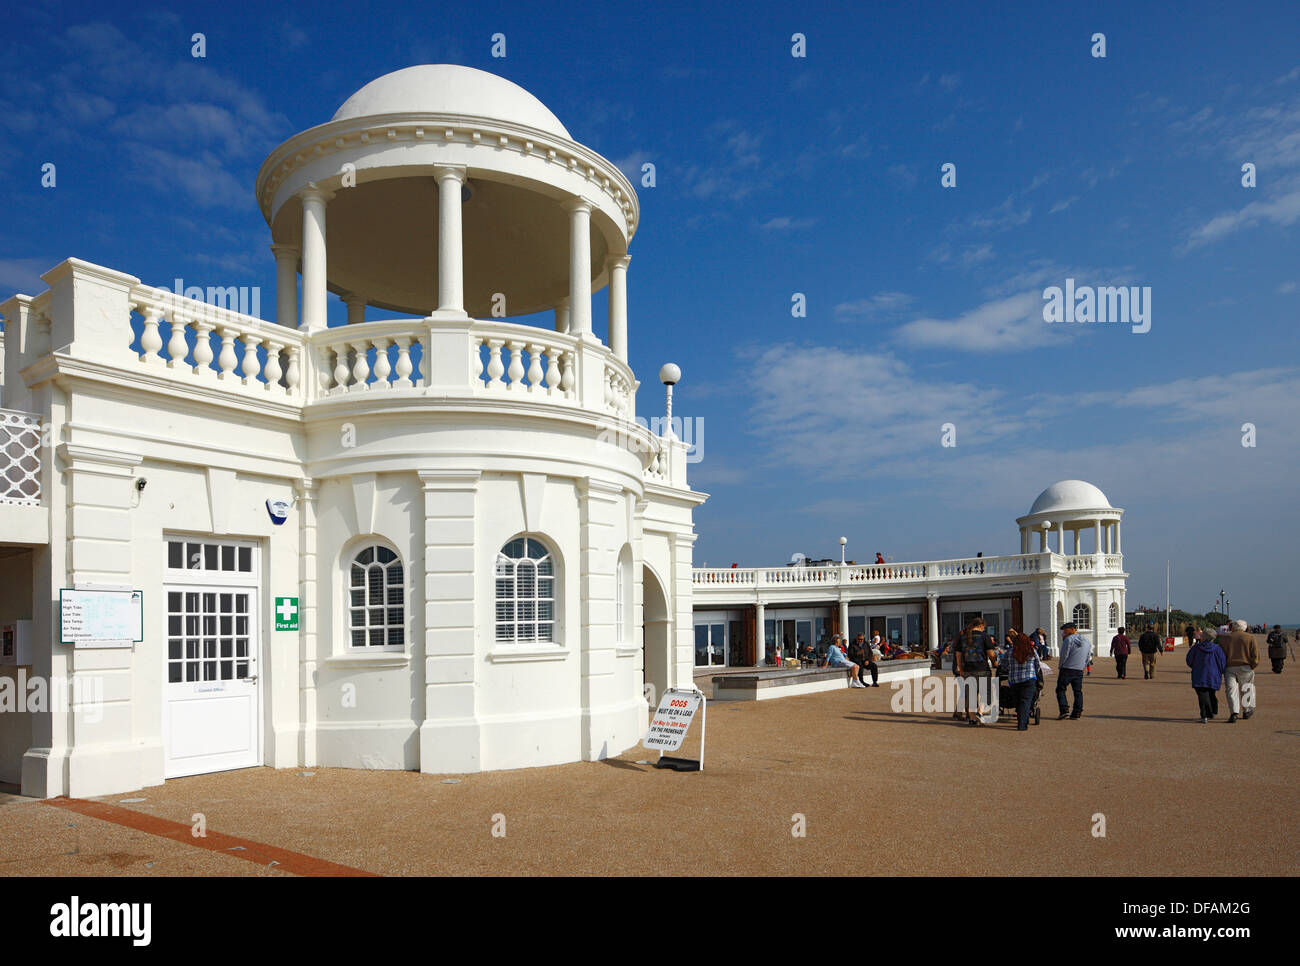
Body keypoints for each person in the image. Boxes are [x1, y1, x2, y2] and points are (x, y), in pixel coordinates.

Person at [959, 618, 998, 726]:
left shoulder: (963, 637)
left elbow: (958, 655)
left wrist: (961, 669)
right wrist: (995, 662)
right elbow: (990, 653)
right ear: (981, 626)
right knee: (985, 693)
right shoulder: (984, 636)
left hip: (967, 669)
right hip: (982, 669)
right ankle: (979, 713)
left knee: (971, 695)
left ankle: (972, 719)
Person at [1219, 620, 1259, 722]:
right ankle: (1247, 710)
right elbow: (1255, 654)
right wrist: (1253, 665)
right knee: (1247, 688)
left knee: (1231, 690)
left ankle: (1234, 712)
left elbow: (1221, 654)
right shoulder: (1250, 637)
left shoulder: (1225, 638)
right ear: (1244, 627)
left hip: (1229, 667)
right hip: (1245, 666)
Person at [1186, 627, 1226, 723]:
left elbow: (1189, 660)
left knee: (1202, 695)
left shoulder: (1196, 648)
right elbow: (1222, 662)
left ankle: (1205, 715)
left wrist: (1194, 666)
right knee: (1211, 693)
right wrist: (1221, 671)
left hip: (1199, 674)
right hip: (1213, 675)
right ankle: (1213, 710)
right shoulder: (1217, 649)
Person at [1005, 632, 1043, 731]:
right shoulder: (1032, 651)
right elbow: (1038, 665)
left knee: (1017, 701)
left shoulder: (1010, 651)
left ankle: (1021, 719)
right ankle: (1022, 724)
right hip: (1029, 679)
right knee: (1025, 701)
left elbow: (1004, 665)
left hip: (1014, 680)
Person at [1055, 622, 1090, 719]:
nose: (1064, 632)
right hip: (1079, 669)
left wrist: (1060, 666)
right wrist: (1083, 666)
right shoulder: (1086, 640)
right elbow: (1088, 656)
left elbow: (1064, 655)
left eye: (1065, 629)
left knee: (1060, 689)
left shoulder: (1068, 640)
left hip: (1067, 668)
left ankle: (1064, 709)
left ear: (1072, 629)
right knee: (1078, 691)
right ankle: (1077, 712)